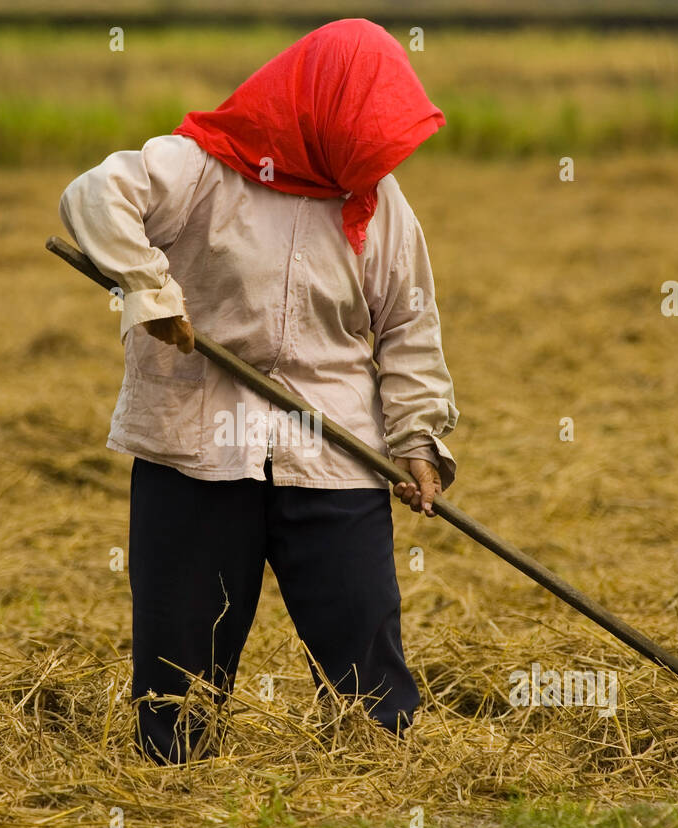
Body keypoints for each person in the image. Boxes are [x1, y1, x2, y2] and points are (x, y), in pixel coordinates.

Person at [58, 18, 458, 763]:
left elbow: (407, 322)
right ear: (323, 106)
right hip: (196, 444)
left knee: (364, 640)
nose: (373, 154)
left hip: (332, 451)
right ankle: (173, 777)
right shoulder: (203, 167)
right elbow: (91, 198)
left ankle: (386, 768)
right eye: (363, 130)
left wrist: (416, 438)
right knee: (180, 664)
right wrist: (151, 291)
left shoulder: (373, 196)